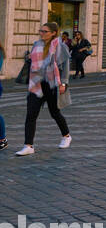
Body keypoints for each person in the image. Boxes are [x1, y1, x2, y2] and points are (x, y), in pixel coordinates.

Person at [15, 22, 71, 156]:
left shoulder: (61, 47)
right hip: (37, 83)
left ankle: (66, 136)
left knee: (55, 112)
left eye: (45, 31)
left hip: (51, 84)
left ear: (53, 33)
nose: (42, 33)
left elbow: (65, 67)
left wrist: (64, 83)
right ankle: (28, 146)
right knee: (31, 114)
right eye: (41, 31)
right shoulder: (36, 45)